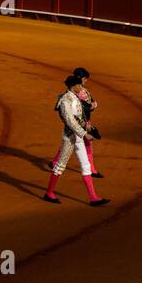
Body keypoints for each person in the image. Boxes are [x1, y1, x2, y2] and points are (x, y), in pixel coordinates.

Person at [43, 75, 108, 206]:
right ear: (74, 86)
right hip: (69, 138)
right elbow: (69, 121)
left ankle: (93, 198)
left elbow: (79, 117)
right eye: (80, 85)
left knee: (86, 166)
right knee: (60, 166)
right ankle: (49, 193)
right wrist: (84, 133)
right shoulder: (66, 100)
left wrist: (88, 127)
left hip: (78, 137)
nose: (82, 87)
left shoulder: (73, 98)